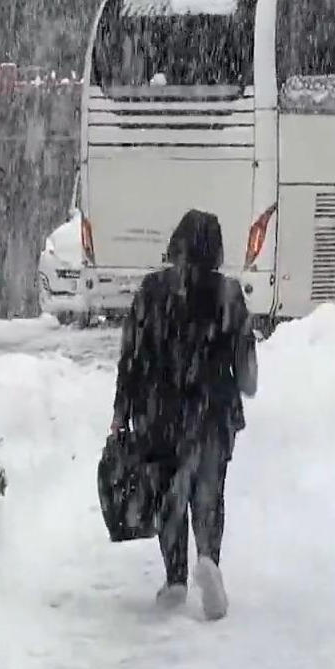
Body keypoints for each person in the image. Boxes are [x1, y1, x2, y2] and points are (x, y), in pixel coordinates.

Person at [111, 209, 257, 621]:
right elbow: (246, 370)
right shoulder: (228, 295)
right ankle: (208, 559)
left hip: (161, 410)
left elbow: (131, 357)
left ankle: (175, 578)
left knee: (170, 494)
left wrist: (122, 411)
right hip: (213, 409)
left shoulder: (152, 290)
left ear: (175, 244)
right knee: (209, 491)